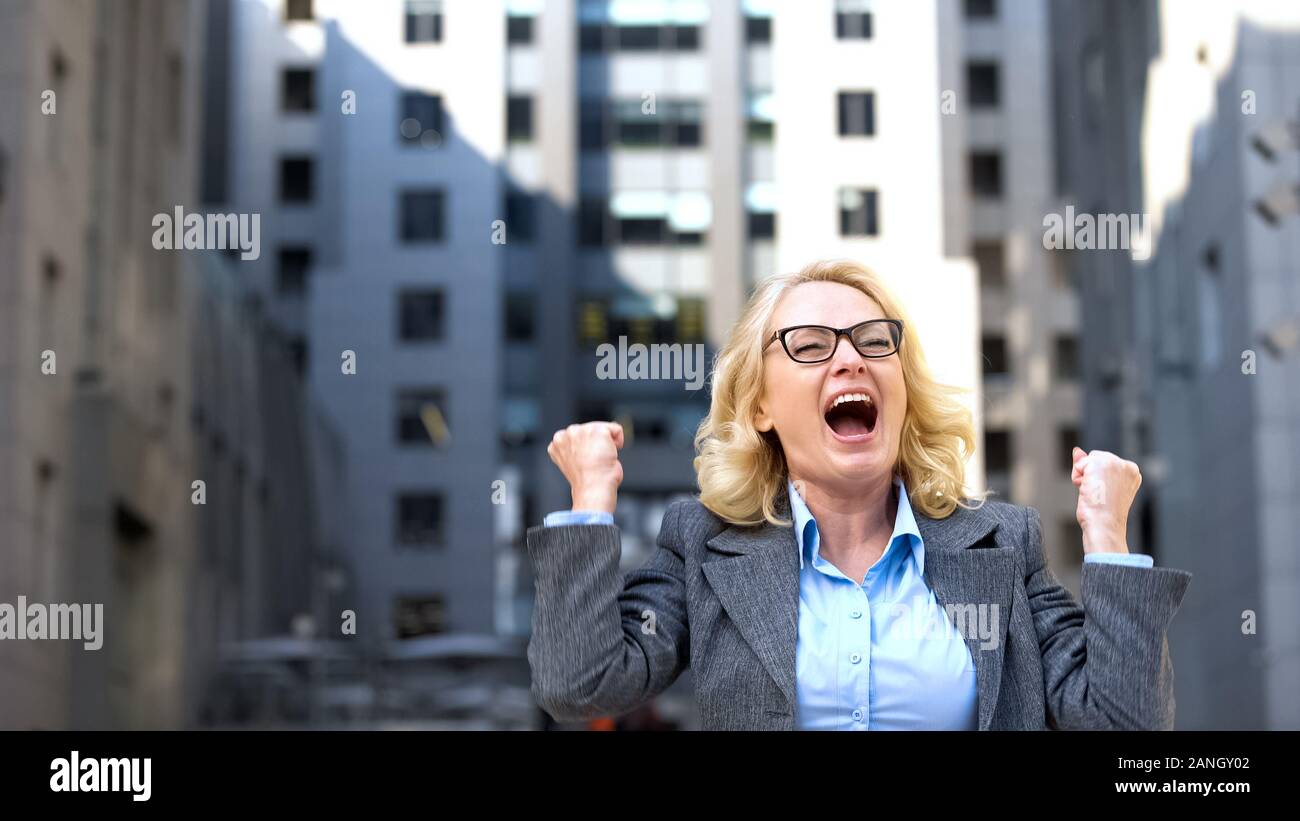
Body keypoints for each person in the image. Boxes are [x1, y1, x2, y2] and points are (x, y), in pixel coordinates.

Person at [527, 258, 1192, 730]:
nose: (851, 359)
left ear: (901, 385)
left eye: (875, 342)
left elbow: (1123, 720)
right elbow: (578, 684)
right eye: (810, 346)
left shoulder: (1002, 542)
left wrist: (1107, 538)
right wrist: (591, 501)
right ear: (760, 405)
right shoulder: (703, 544)